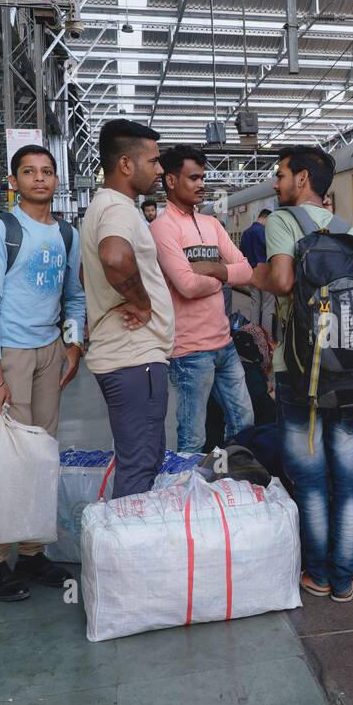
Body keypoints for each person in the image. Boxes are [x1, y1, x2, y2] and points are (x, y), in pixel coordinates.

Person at [0, 144, 86, 601]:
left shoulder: (66, 233)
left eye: (47, 171)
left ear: (57, 180)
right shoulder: (1, 229)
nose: (40, 178)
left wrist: (73, 344)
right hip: (10, 351)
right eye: (29, 172)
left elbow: (73, 296)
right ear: (14, 182)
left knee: (43, 453)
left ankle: (34, 551)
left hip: (49, 350)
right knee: (9, 455)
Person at [248, 145, 353, 602]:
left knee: (312, 479)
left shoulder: (283, 221)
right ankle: (344, 577)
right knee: (346, 474)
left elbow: (281, 280)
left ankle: (316, 572)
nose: (275, 184)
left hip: (300, 369)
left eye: (280, 175)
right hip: (350, 368)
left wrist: (247, 273)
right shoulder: (348, 230)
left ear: (302, 180)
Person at [79, 120, 175, 499]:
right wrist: (143, 302)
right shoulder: (118, 209)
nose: (160, 169)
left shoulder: (103, 207)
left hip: (127, 357)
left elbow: (88, 271)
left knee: (141, 458)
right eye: (153, 161)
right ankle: (126, 553)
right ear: (125, 164)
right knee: (141, 463)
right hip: (134, 359)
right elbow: (114, 258)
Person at [151, 145, 255, 452]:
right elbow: (185, 285)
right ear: (171, 181)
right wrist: (224, 276)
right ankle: (189, 496)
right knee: (193, 439)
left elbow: (247, 270)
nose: (201, 185)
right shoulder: (161, 229)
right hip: (189, 352)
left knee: (244, 422)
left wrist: (210, 269)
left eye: (203, 178)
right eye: (194, 178)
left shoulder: (212, 224)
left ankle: (230, 489)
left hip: (224, 343)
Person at [239, 208, 274, 338]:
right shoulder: (264, 232)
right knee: (268, 306)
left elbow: (242, 254)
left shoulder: (246, 233)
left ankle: (254, 335)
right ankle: (267, 337)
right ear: (266, 218)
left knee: (255, 303)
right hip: (265, 273)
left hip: (251, 274)